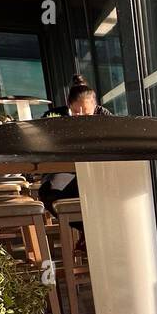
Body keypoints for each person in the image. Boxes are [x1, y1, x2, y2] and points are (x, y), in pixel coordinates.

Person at [38, 74, 111, 213]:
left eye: (87, 114)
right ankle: (86, 230)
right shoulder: (54, 117)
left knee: (101, 191)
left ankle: (90, 231)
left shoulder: (105, 117)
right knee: (50, 191)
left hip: (96, 169)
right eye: (77, 113)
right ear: (69, 106)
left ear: (95, 107)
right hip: (63, 167)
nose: (82, 117)